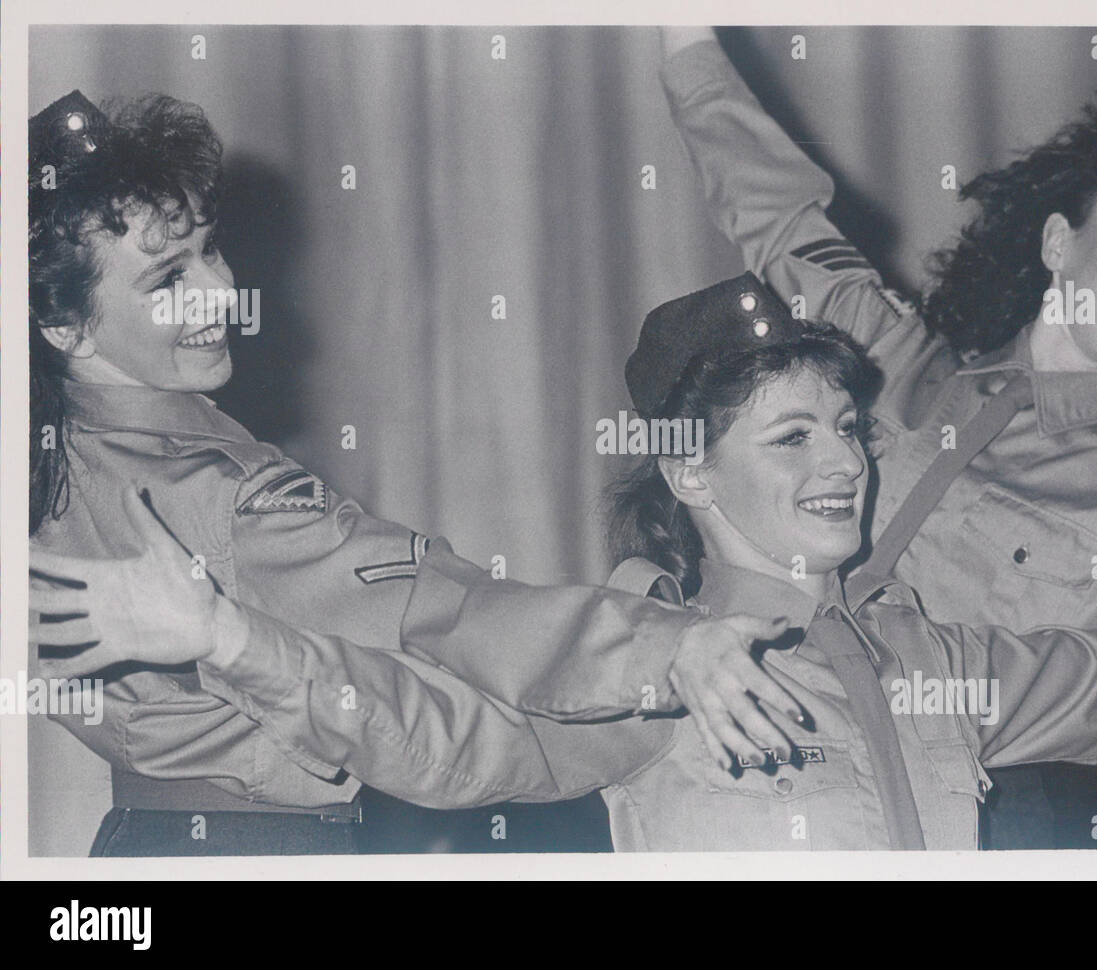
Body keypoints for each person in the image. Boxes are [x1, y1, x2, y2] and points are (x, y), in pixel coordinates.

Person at [33, 273, 1097, 850]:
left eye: (845, 424)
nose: (842, 458)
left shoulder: (934, 656)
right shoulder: (653, 662)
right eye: (788, 434)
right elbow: (452, 746)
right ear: (687, 469)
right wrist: (229, 641)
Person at [26, 90, 791, 856]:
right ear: (65, 326)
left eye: (210, 249)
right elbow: (451, 611)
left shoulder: (51, 465)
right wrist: (668, 650)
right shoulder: (221, 495)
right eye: (167, 282)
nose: (223, 292)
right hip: (264, 846)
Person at [652, 27, 1097, 847]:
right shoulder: (889, 361)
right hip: (743, 758)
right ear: (1059, 242)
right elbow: (776, 216)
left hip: (981, 818)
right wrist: (681, 33)